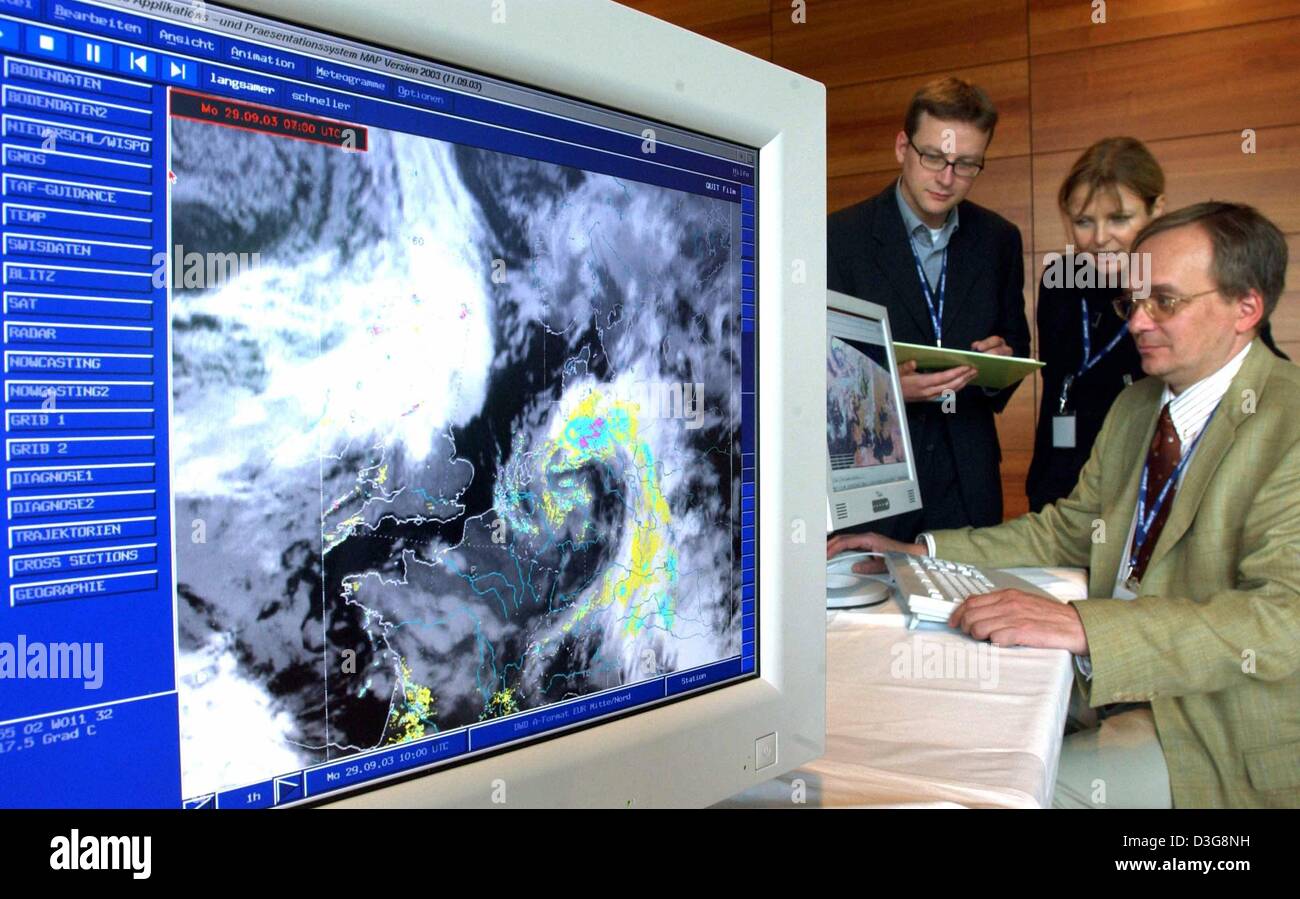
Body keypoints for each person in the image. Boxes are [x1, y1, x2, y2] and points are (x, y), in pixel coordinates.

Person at [829, 202, 1300, 808]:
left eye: (1165, 302)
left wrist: (1084, 626)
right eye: (1132, 303)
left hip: (1207, 722)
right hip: (1104, 676)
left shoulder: (1287, 422)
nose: (1136, 324)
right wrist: (920, 548)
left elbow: (1281, 620)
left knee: (989, 797)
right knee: (919, 719)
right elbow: (1069, 531)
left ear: (1246, 308)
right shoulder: (1137, 407)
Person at [828, 76, 1030, 542]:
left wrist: (1001, 363)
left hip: (969, 476)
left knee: (965, 608)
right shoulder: (839, 238)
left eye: (966, 164)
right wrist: (887, 389)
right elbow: (812, 369)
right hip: (874, 476)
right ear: (902, 146)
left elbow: (1016, 344)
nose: (946, 177)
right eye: (934, 157)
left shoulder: (999, 239)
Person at [1026, 138, 1160, 512]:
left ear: (1156, 210)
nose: (1100, 238)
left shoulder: (1179, 284)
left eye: (1119, 218)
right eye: (1084, 221)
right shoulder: (1059, 279)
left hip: (1138, 490)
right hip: (1057, 487)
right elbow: (1057, 383)